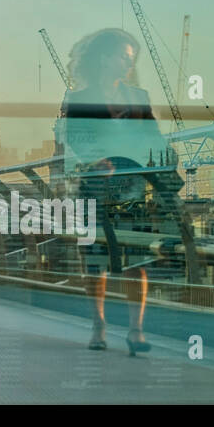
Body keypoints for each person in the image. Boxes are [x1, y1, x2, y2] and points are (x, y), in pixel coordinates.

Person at [59, 27, 182, 355]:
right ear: (103, 58)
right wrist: (93, 160)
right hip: (95, 186)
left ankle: (136, 330)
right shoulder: (78, 99)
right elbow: (74, 137)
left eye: (132, 59)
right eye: (123, 57)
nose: (128, 64)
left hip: (132, 186)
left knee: (137, 259)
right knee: (96, 260)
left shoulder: (137, 97)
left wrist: (164, 157)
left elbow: (152, 135)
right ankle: (98, 325)